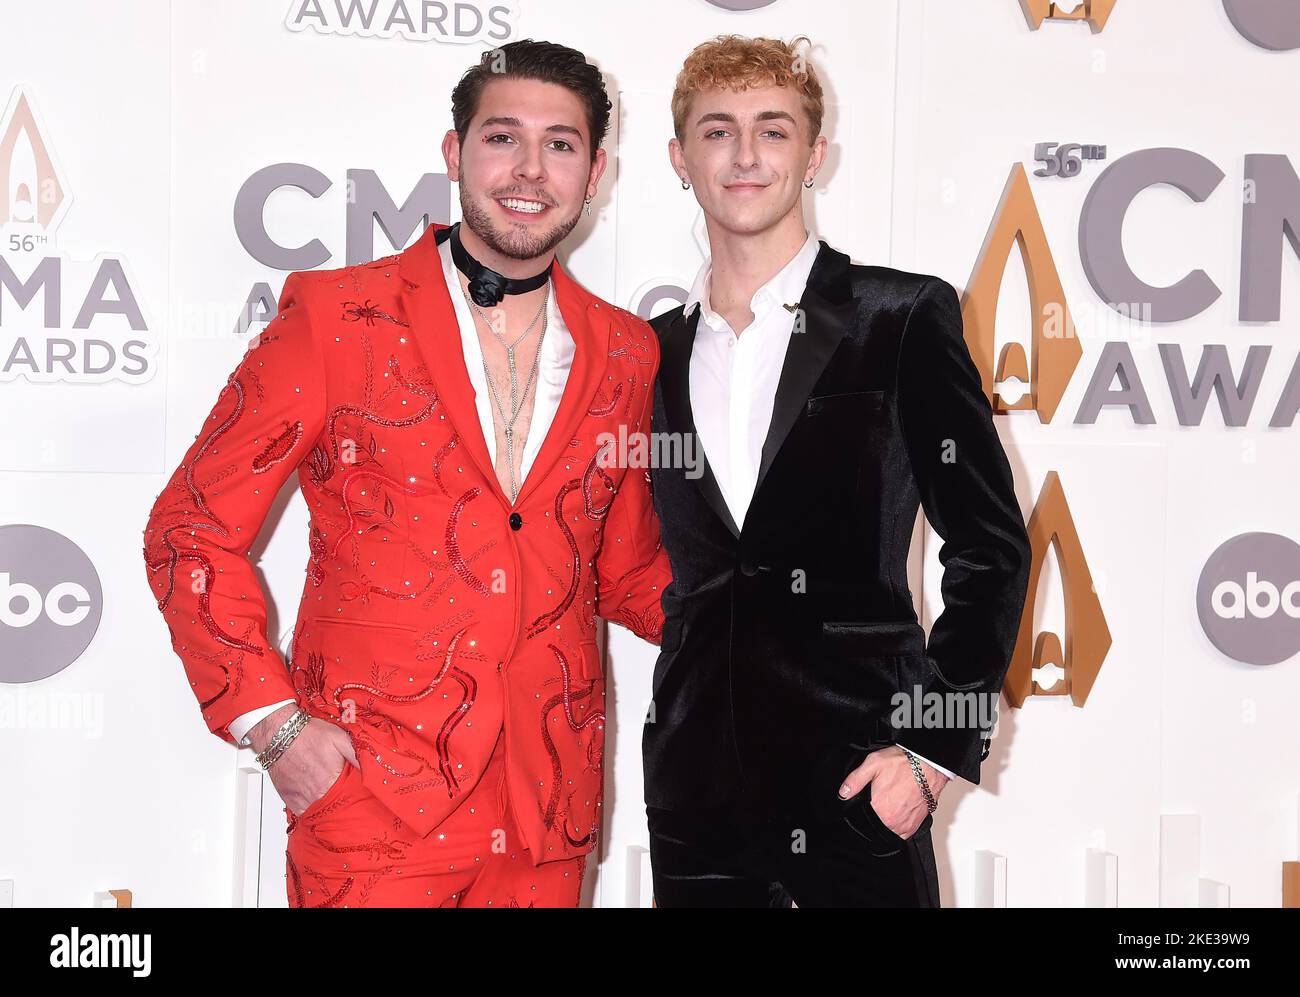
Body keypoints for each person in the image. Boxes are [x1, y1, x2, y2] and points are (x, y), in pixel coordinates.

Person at [142, 39, 670, 908]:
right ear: (455, 153)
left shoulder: (627, 349)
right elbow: (189, 530)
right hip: (371, 806)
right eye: (503, 138)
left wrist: (803, 636)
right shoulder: (335, 315)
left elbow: (631, 573)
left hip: (547, 817)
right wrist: (276, 728)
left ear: (597, 170)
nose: (530, 169)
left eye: (561, 144)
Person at [643, 34, 1032, 907]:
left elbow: (992, 548)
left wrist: (930, 757)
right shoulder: (648, 355)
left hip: (862, 790)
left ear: (816, 155)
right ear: (679, 158)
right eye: (717, 131)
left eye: (773, 131)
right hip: (697, 808)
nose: (745, 155)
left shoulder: (900, 317)